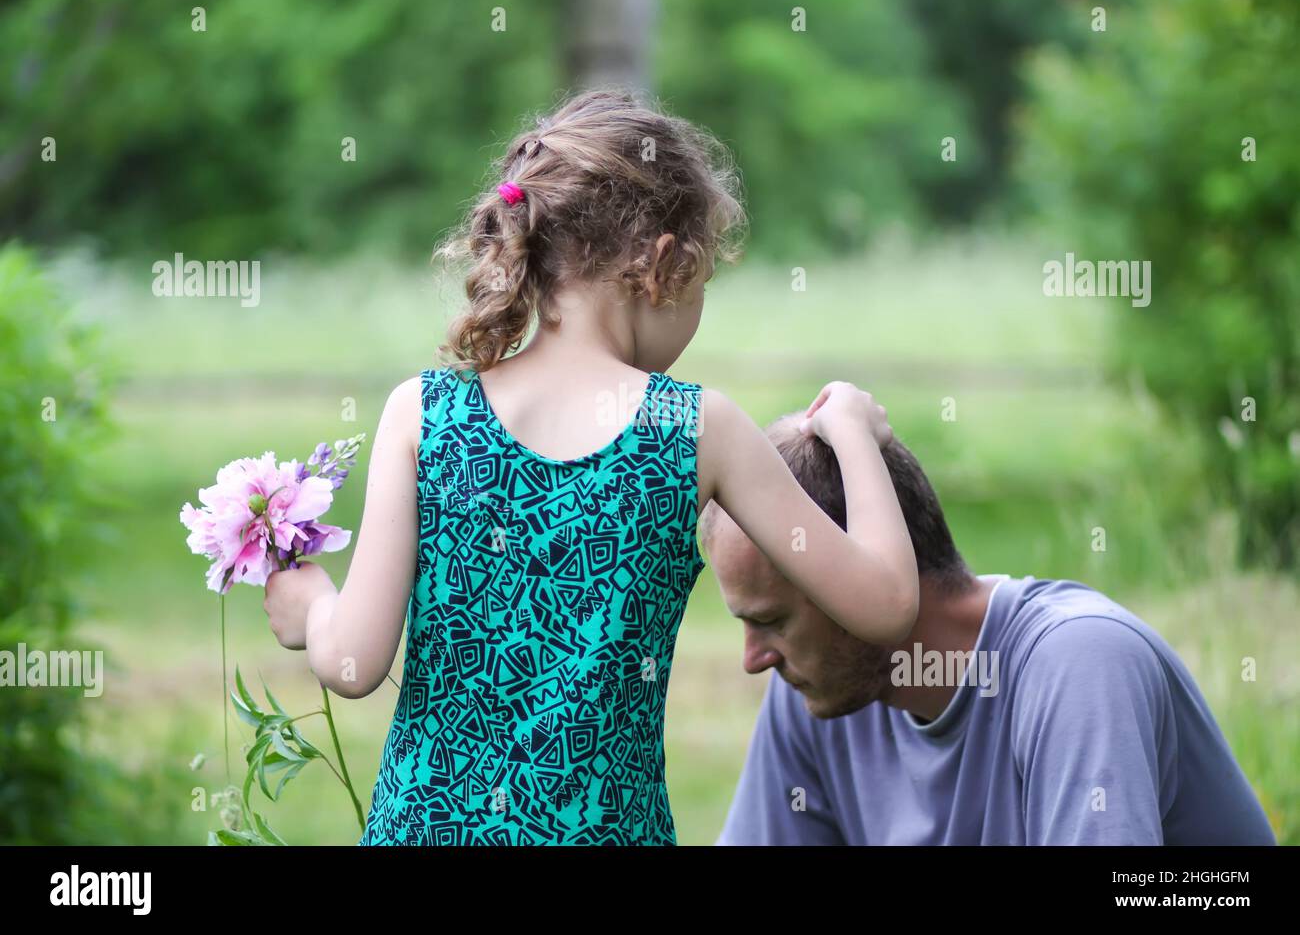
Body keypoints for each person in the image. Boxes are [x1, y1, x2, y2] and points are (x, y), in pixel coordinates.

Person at [259, 90, 921, 845]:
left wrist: (312, 607)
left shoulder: (424, 414)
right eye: (702, 287)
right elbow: (888, 603)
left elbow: (351, 664)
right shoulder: (695, 427)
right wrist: (852, 428)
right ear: (665, 263)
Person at [705, 413, 1278, 845]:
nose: (754, 659)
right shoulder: (816, 697)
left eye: (772, 621)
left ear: (862, 576)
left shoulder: (1080, 666)